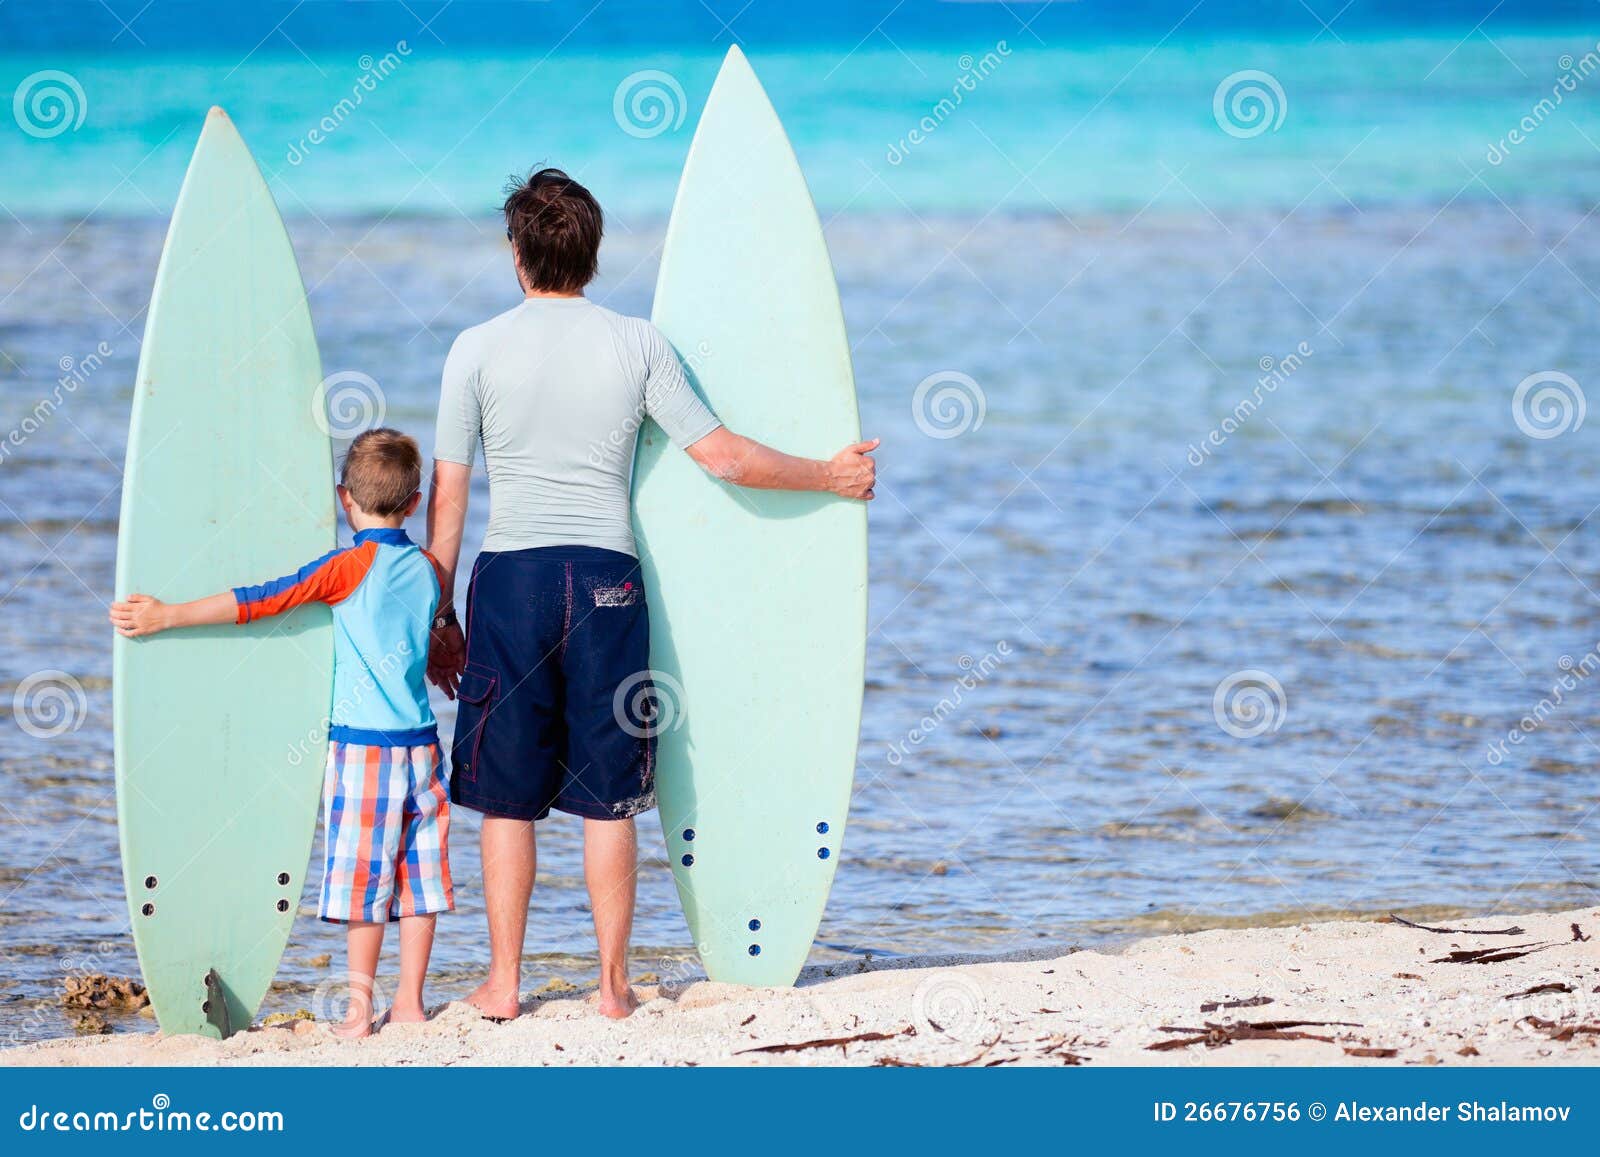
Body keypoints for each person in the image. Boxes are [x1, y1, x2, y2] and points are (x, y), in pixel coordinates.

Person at [426, 167, 876, 1020]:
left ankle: (503, 982)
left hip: (513, 582)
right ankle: (612, 985)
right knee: (609, 794)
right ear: (591, 257)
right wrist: (831, 474)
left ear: (517, 256)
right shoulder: (636, 344)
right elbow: (726, 459)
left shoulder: (475, 349)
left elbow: (449, 501)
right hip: (606, 581)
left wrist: (437, 615)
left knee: (503, 798)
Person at [109, 429, 452, 1039]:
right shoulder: (428, 569)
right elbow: (431, 638)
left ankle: (355, 1012)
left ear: (344, 498)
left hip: (364, 749)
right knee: (419, 880)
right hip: (423, 746)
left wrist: (170, 615)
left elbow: (262, 601)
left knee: (365, 885)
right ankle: (410, 1004)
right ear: (415, 502)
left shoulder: (346, 567)